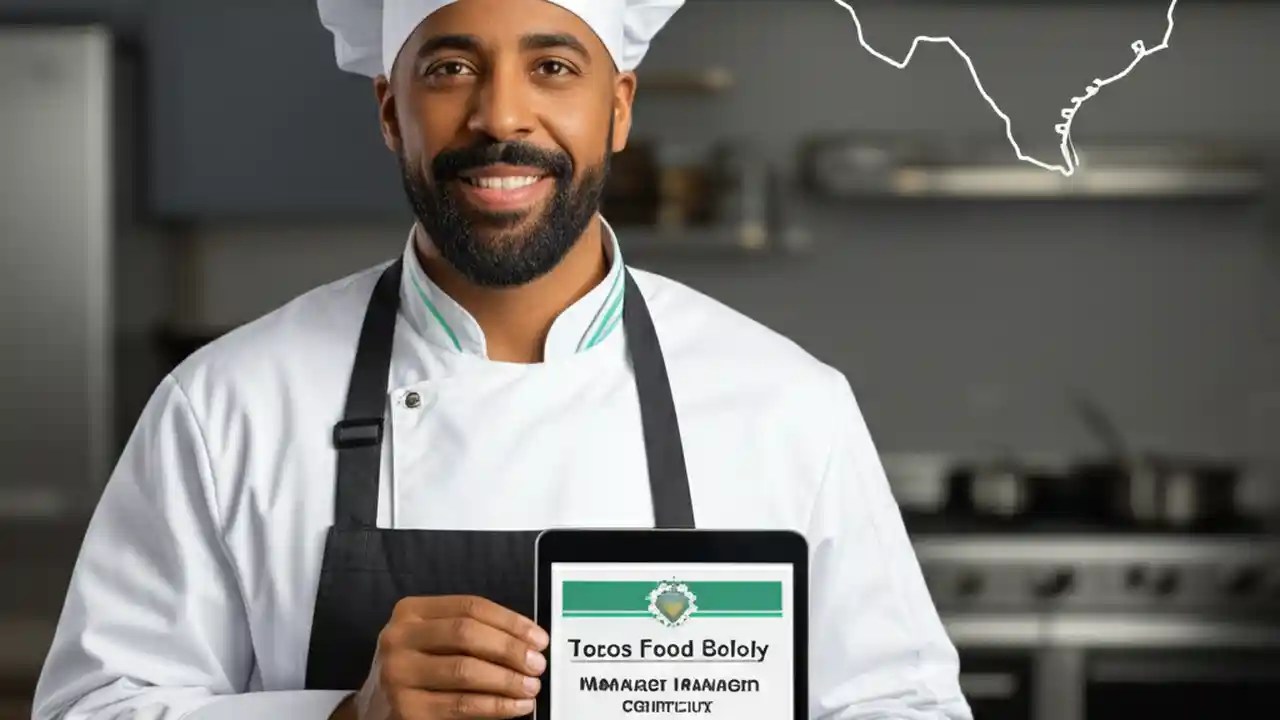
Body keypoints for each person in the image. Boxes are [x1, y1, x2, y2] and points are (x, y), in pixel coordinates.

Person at [32, 0, 971, 718]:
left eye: (553, 65)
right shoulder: (228, 406)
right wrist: (345, 716)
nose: (500, 116)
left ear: (618, 108)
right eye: (449, 68)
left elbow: (905, 705)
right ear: (391, 112)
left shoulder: (784, 406)